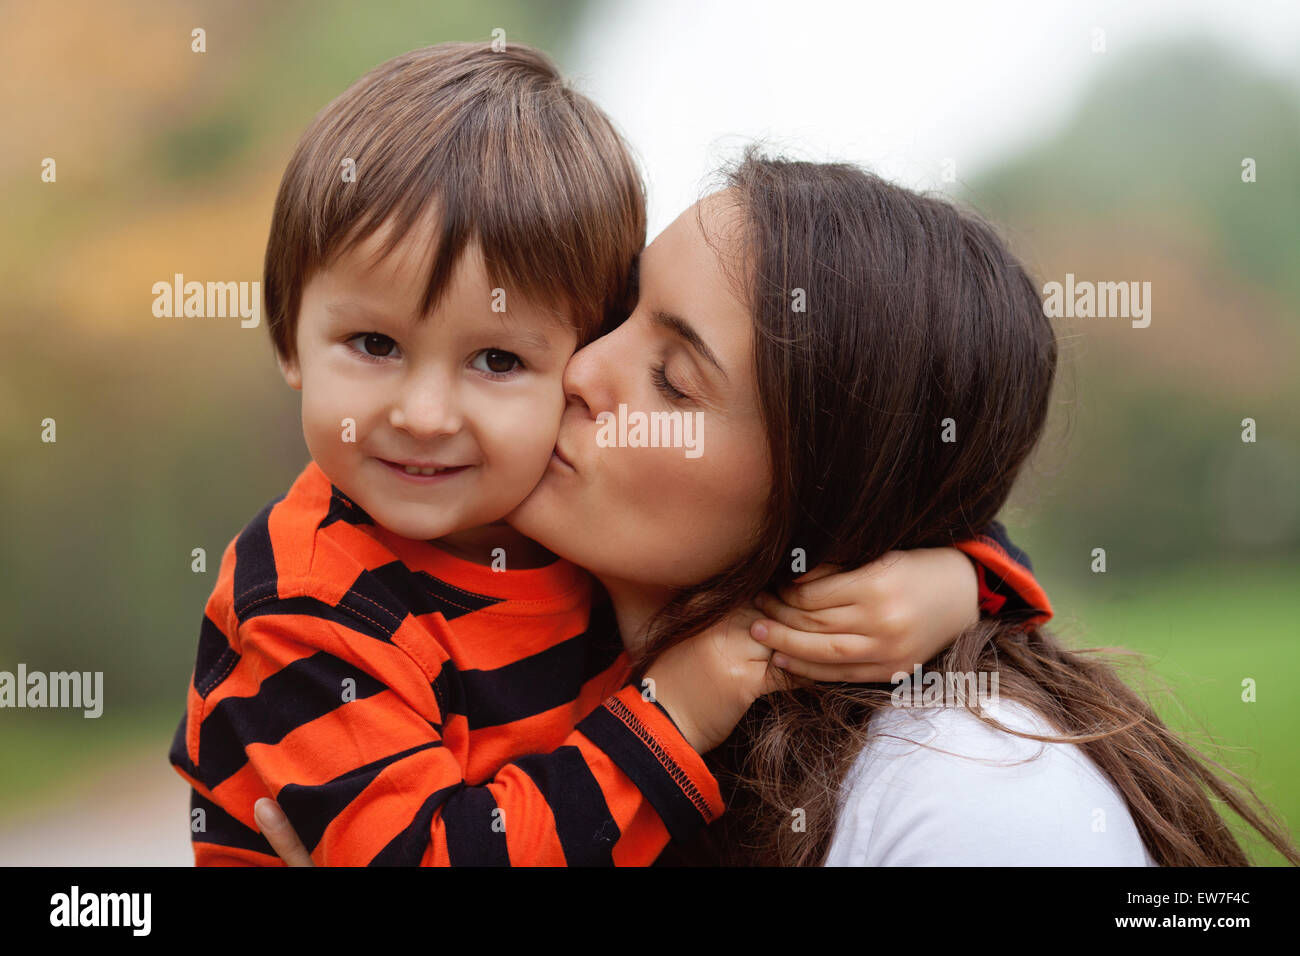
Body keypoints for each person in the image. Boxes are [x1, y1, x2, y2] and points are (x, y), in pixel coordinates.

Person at [261, 151, 1298, 867]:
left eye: (671, 378)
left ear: (826, 504)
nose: (574, 368)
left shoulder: (970, 796)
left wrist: (958, 572)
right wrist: (962, 572)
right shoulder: (403, 592)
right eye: (614, 313)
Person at [169, 44, 1049, 866]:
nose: (427, 415)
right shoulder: (306, 599)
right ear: (286, 332)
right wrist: (671, 714)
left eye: (499, 360)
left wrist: (954, 584)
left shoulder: (532, 516)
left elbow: (902, 498)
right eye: (372, 343)